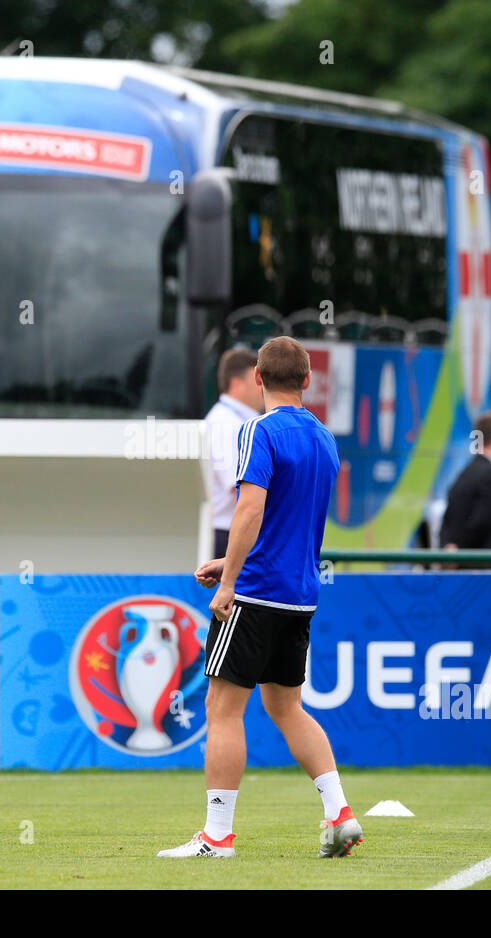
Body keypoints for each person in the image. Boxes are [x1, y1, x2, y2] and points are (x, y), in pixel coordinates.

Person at [159, 336, 361, 859]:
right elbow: (290, 522)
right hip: (299, 594)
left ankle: (218, 836)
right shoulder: (324, 438)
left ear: (257, 379)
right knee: (288, 706)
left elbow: (250, 511)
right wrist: (228, 563)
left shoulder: (258, 430)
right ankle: (339, 812)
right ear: (308, 379)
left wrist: (229, 583)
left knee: (222, 709)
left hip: (255, 593)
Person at [204, 348, 264, 559]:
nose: (263, 388)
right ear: (236, 384)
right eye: (257, 381)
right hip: (228, 534)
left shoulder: (231, 420)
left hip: (232, 531)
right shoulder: (225, 422)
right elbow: (238, 485)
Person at [439, 411, 491, 551]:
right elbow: (482, 523)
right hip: (490, 567)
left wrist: (451, 548)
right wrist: (459, 551)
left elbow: (450, 519)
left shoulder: (467, 472)